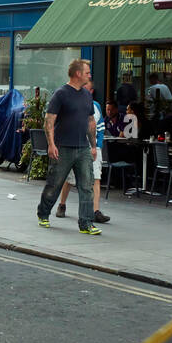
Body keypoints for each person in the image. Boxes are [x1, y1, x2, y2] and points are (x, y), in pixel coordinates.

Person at [37, 59, 101, 235]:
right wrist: (51, 144)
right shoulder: (61, 94)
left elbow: (90, 122)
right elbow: (49, 121)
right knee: (55, 184)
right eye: (87, 72)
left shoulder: (87, 95)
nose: (90, 75)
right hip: (62, 147)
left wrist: (93, 146)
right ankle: (43, 213)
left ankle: (86, 223)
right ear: (78, 74)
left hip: (83, 148)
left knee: (87, 186)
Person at [57, 79, 110, 224]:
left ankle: (95, 211)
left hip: (93, 149)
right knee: (70, 179)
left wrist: (97, 146)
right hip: (77, 147)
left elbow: (98, 127)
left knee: (96, 178)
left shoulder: (96, 106)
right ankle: (62, 204)